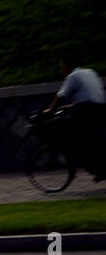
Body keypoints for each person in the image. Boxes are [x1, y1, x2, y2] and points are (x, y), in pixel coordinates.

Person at [43, 49, 106, 178]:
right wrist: (71, 106)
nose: (62, 68)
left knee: (66, 134)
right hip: (101, 108)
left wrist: (49, 110)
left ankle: (80, 165)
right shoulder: (90, 72)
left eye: (62, 66)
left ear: (67, 65)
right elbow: (89, 94)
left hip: (87, 110)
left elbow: (60, 96)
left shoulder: (72, 76)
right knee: (90, 139)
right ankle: (97, 168)